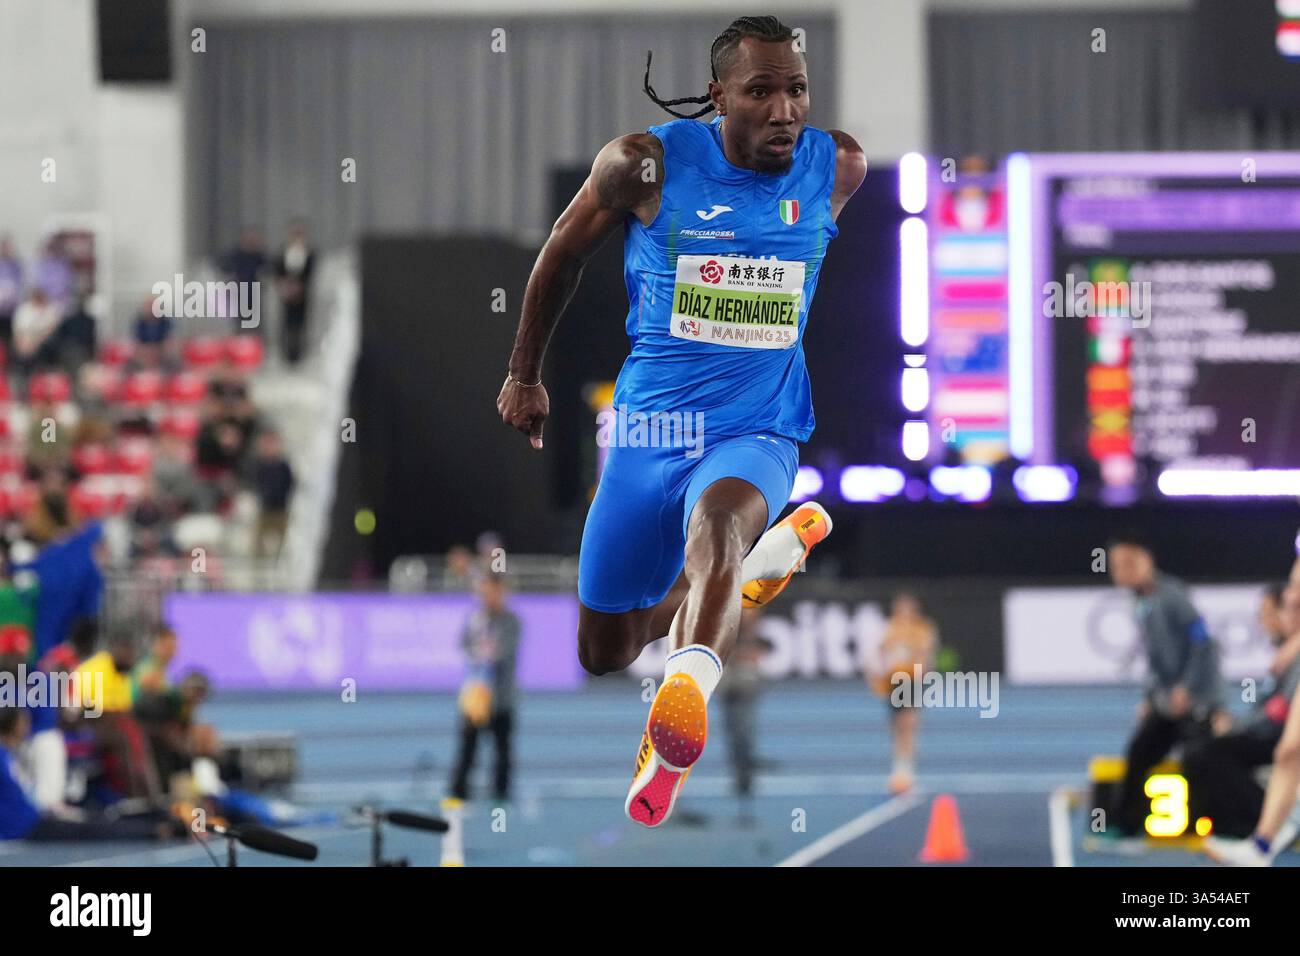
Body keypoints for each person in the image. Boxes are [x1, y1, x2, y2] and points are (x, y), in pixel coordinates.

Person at [495, 15, 865, 828]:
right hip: (648, 435)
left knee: (716, 528)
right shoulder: (645, 166)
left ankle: (683, 697)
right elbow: (562, 251)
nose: (784, 110)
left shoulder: (836, 167)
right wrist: (525, 373)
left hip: (758, 429)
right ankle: (753, 577)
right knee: (606, 651)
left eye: (796, 88)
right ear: (717, 95)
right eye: (761, 90)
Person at [1106, 533, 1221, 836]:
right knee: (1140, 751)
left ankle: (1204, 826)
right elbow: (1155, 658)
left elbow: (1203, 643)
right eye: (1116, 565)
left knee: (1199, 762)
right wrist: (1150, 696)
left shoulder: (1173, 595)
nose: (1122, 571)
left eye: (1129, 563)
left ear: (1147, 560)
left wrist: (1188, 686)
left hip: (1197, 702)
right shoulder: (1141, 601)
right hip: (1169, 701)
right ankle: (1125, 823)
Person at [1184, 583, 1300, 837]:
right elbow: (1270, 709)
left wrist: (1235, 727)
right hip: (1275, 735)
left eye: (1268, 614)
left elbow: (1278, 715)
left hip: (1282, 739)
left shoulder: (1293, 656)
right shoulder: (1283, 657)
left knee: (1211, 753)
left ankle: (1267, 827)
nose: (1263, 622)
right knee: (1199, 742)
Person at [448, 574, 521, 803]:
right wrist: (479, 654)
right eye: (485, 592)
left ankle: (501, 793)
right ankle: (458, 792)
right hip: (476, 697)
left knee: (502, 750)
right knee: (467, 748)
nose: (489, 597)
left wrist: (487, 653)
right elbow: (464, 646)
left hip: (502, 697)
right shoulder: (474, 620)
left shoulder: (512, 621)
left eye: (494, 592)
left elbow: (504, 652)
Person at [870, 592, 938, 794]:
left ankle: (907, 772)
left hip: (911, 679)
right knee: (896, 726)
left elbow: (925, 656)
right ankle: (898, 770)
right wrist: (878, 676)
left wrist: (921, 679)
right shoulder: (890, 627)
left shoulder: (921, 629)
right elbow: (879, 652)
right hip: (893, 680)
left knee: (909, 724)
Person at [274, 221, 315, 364]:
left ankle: (299, 355)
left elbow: (311, 273)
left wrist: (300, 286)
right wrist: (285, 285)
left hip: (303, 295)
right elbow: (278, 271)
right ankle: (286, 355)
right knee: (287, 324)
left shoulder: (310, 254)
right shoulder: (283, 253)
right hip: (287, 294)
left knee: (301, 325)